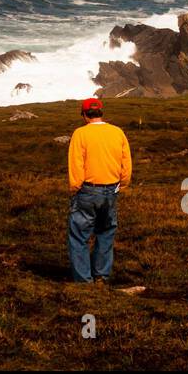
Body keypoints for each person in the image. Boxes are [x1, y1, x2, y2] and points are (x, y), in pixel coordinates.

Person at [66, 97, 132, 283]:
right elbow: (126, 162)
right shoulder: (117, 132)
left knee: (79, 235)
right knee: (106, 232)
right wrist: (123, 184)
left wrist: (75, 188)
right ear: (101, 112)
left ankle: (83, 280)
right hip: (111, 189)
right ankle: (101, 275)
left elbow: (76, 164)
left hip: (87, 190)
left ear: (85, 115)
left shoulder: (80, 134)